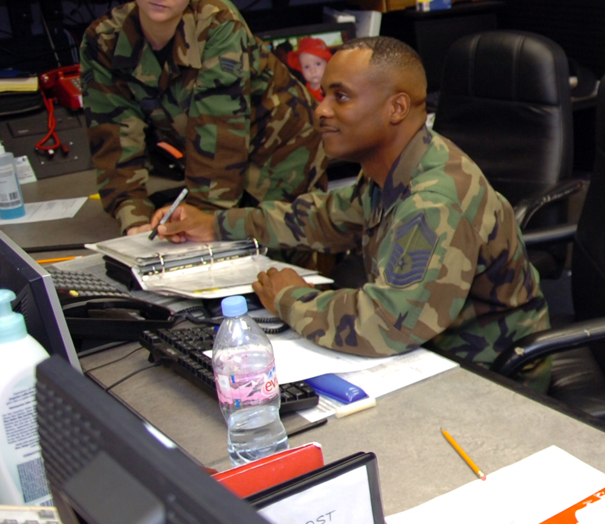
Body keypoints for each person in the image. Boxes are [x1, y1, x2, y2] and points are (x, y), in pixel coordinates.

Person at [149, 36, 551, 382]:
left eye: (340, 97)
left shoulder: (433, 200)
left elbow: (385, 325)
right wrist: (214, 225)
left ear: (396, 109)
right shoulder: (394, 168)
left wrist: (291, 299)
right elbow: (321, 218)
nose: (321, 109)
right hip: (429, 351)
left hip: (488, 374)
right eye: (324, 95)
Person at [80, 0, 327, 233]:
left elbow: (218, 131)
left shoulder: (217, 23)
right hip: (212, 161)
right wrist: (134, 222)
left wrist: (202, 219)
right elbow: (114, 138)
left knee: (279, 250)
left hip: (281, 152)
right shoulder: (104, 41)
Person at [292, 36, 334, 101]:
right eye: (306, 67)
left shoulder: (333, 85)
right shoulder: (303, 90)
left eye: (318, 64)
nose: (312, 71)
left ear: (328, 64)